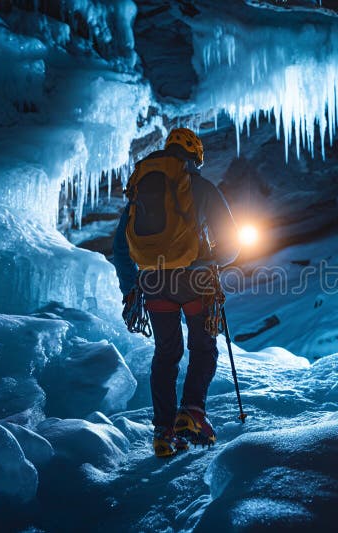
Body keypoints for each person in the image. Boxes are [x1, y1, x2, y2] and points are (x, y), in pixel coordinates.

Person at [111, 127, 239, 458]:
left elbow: (120, 247)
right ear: (195, 157)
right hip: (194, 280)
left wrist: (131, 287)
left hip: (153, 284)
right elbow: (232, 245)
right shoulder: (201, 187)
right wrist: (211, 261)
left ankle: (163, 431)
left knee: (166, 353)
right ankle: (193, 413)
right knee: (203, 346)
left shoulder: (142, 188)